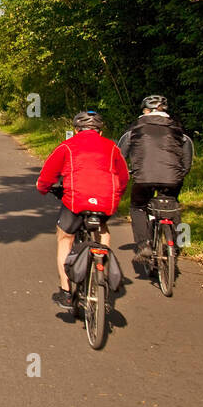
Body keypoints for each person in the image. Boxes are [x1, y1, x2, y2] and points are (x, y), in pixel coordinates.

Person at [35, 111, 130, 310]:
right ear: (100, 131)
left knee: (65, 238)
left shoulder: (67, 146)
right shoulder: (112, 147)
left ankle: (66, 292)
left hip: (76, 201)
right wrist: (117, 196)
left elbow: (48, 174)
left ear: (76, 130)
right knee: (102, 230)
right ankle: (102, 268)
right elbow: (123, 177)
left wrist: (43, 187)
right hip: (105, 203)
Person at [117, 95, 193, 263]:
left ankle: (144, 245)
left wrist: (126, 172)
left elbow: (119, 157)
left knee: (138, 207)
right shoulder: (178, 130)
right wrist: (181, 173)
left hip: (143, 177)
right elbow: (187, 159)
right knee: (173, 204)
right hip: (173, 177)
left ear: (145, 110)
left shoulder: (134, 130)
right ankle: (181, 243)